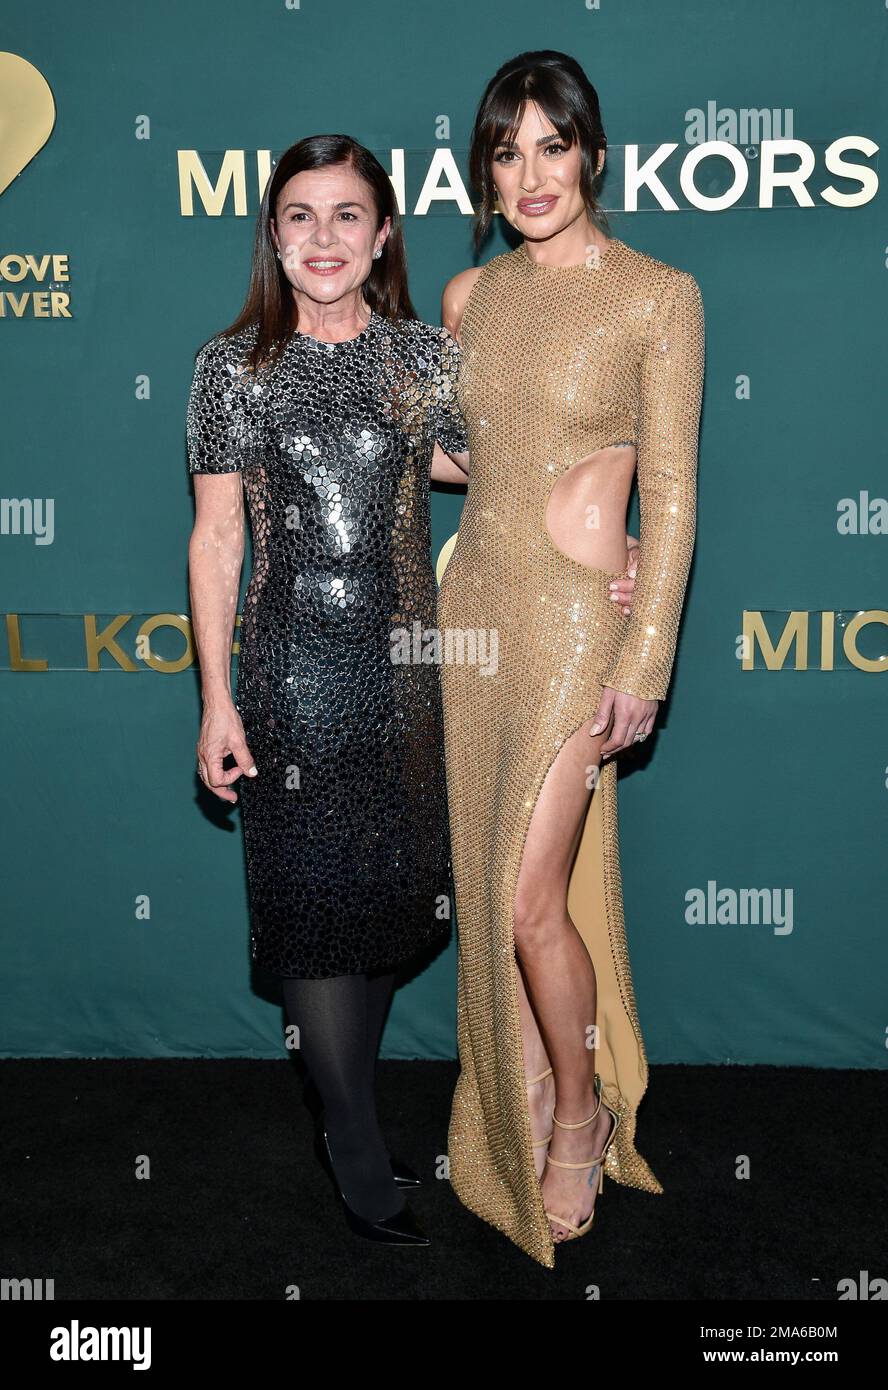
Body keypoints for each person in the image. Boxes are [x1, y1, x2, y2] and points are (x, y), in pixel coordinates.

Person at [438, 50, 705, 1266]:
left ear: (595, 153)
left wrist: (644, 662)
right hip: (474, 620)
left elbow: (677, 492)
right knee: (493, 893)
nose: (532, 171)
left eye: (554, 144)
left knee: (524, 898)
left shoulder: (660, 294)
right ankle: (528, 1089)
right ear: (485, 172)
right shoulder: (467, 298)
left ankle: (580, 1115)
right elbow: (464, 459)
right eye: (508, 149)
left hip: (574, 630)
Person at [185, 134, 472, 1246]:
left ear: (384, 232)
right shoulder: (233, 365)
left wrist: (618, 531)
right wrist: (218, 698)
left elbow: (495, 474)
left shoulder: (420, 359)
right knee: (313, 918)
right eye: (299, 215)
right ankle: (354, 1146)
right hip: (294, 673)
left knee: (392, 909)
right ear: (273, 234)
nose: (323, 238)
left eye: (347, 214)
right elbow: (215, 541)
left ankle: (348, 1113)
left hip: (406, 680)